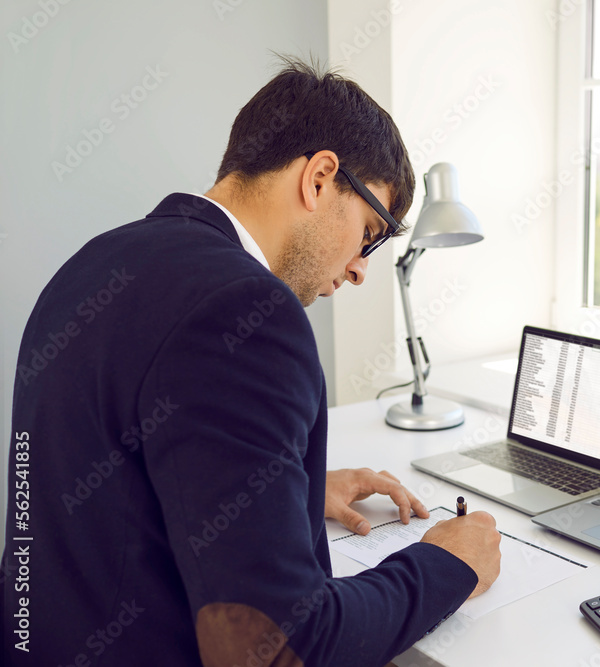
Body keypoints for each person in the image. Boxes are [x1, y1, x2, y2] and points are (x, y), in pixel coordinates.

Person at [1, 56, 501, 667]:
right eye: (369, 233)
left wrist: (277, 493)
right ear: (319, 178)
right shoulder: (249, 311)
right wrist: (445, 565)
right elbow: (286, 646)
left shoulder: (96, 262)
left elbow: (102, 484)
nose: (361, 268)